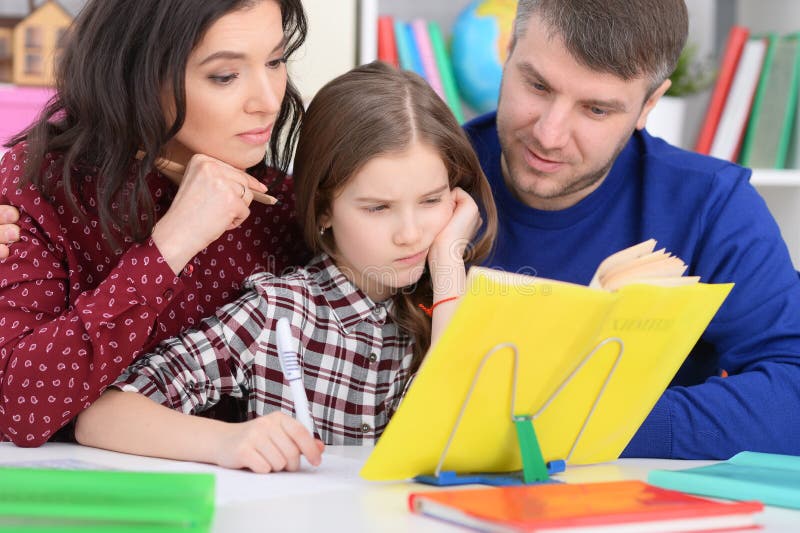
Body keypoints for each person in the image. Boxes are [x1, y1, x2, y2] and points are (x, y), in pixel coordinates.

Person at [74, 61, 498, 473]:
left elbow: (459, 439)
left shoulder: (457, 303)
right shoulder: (279, 312)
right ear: (324, 208)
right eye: (377, 208)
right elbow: (102, 417)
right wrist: (227, 441)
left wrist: (448, 267)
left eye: (431, 201)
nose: (410, 234)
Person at [464, 0, 800, 459]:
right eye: (538, 85)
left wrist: (589, 425)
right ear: (508, 51)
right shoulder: (417, 180)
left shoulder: (710, 205)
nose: (549, 134)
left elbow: (792, 391)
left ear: (649, 104)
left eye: (596, 109)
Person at [0, 0, 311, 446]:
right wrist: (170, 245)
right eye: (225, 76)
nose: (267, 102)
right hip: (87, 486)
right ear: (138, 74)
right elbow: (20, 408)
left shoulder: (285, 206)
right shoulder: (42, 183)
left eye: (275, 61)